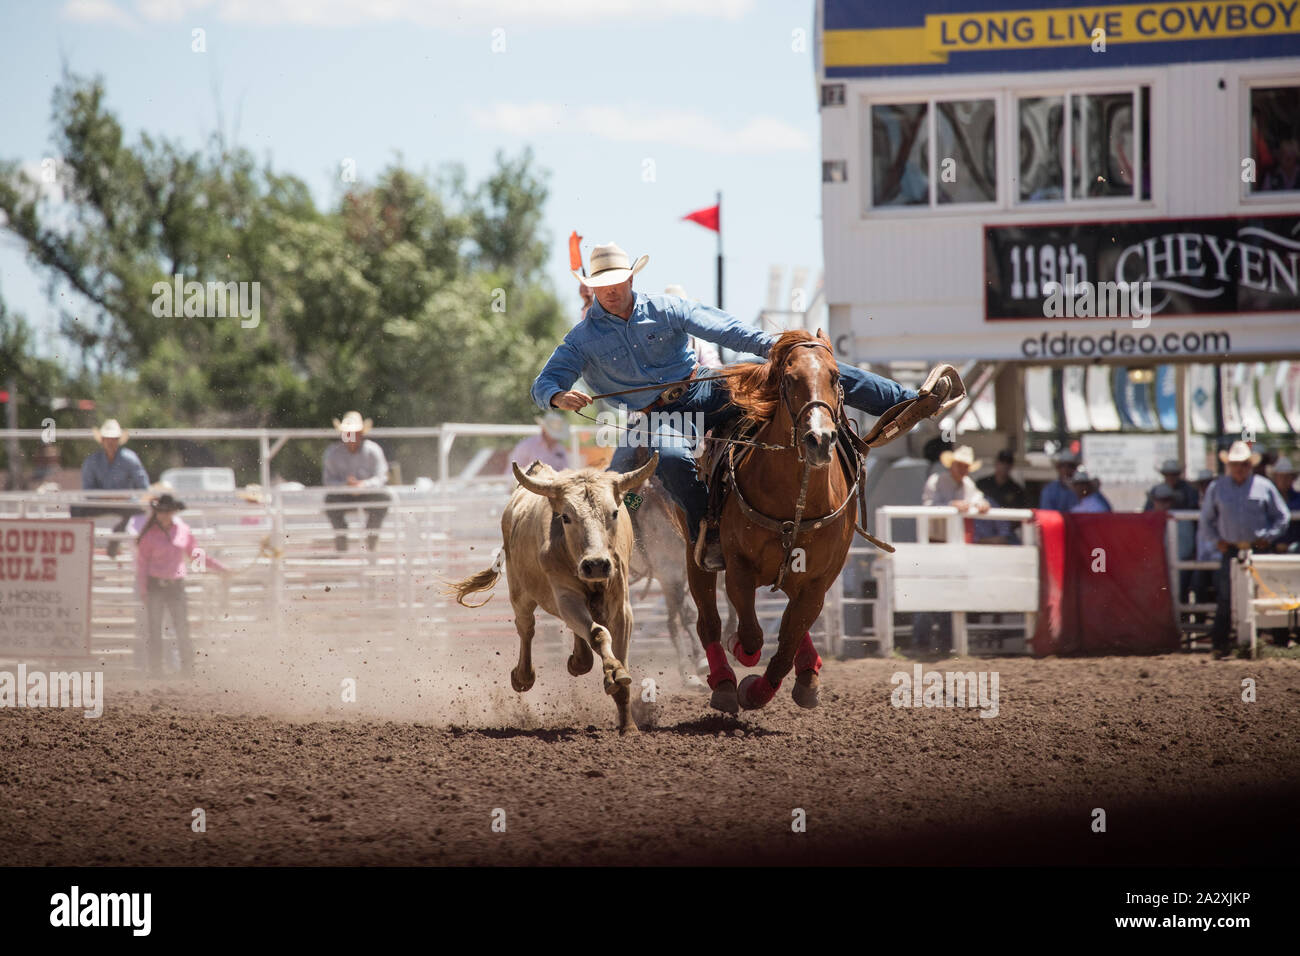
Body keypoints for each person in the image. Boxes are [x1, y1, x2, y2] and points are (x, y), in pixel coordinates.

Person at [532, 241, 956, 571]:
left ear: (629, 279)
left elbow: (723, 328)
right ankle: (705, 530)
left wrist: (782, 348)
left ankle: (909, 403)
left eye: (616, 281)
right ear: (593, 287)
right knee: (671, 458)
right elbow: (544, 382)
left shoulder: (665, 308)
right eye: (602, 284)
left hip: (707, 387)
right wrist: (556, 395)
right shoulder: (580, 340)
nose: (610, 290)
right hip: (654, 416)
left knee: (809, 366)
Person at [1201, 441, 1291, 658]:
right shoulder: (1217, 488)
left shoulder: (1264, 486)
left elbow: (1282, 517)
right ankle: (1220, 643)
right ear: (1229, 465)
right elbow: (1206, 520)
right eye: (1234, 464)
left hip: (1259, 549)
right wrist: (1216, 540)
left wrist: (1267, 537)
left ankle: (1280, 642)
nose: (1238, 468)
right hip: (1231, 549)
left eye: (1242, 464)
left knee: (1269, 593)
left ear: (1249, 465)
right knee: (1226, 595)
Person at [135, 493, 230, 677]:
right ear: (157, 512)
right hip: (155, 584)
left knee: (182, 628)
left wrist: (220, 568)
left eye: (168, 511)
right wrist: (144, 590)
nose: (164, 515)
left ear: (173, 512)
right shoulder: (149, 535)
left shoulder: (182, 530)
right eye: (161, 511)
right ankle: (156, 670)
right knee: (155, 629)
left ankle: (188, 670)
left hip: (175, 585)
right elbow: (142, 565)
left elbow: (196, 555)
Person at [914, 446, 989, 655]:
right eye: (960, 465)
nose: (963, 469)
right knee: (929, 592)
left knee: (948, 591)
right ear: (952, 465)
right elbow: (928, 506)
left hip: (951, 545)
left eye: (966, 466)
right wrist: (951, 505)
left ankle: (945, 643)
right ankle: (924, 642)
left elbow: (979, 499)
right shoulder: (936, 481)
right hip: (933, 542)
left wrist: (981, 504)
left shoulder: (967, 484)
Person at [74, 419, 150, 558]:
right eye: (108, 439)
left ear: (118, 440)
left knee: (140, 510)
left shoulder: (129, 459)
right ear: (102, 440)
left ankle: (116, 538)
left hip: (124, 503)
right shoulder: (92, 461)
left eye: (114, 439)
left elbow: (143, 486)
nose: (111, 442)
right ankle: (80, 547)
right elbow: (87, 490)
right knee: (76, 509)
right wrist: (107, 497)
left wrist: (126, 497)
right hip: (101, 503)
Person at [322, 410, 391, 553]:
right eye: (347, 433)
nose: (350, 437)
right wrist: (345, 486)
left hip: (367, 492)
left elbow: (382, 476)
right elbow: (328, 481)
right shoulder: (333, 453)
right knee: (330, 501)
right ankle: (341, 536)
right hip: (344, 494)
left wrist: (363, 485)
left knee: (384, 498)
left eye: (354, 433)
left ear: (361, 434)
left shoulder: (373, 450)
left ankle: (372, 536)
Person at [974, 449, 1027, 543]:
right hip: (981, 532)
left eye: (1008, 462)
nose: (1005, 465)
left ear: (1012, 466)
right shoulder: (982, 483)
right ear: (996, 463)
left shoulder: (1016, 489)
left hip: (1006, 534)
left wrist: (1003, 532)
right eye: (1002, 461)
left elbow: (1019, 518)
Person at [505, 411, 571, 474]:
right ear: (544, 430)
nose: (555, 438)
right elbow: (513, 472)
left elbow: (565, 470)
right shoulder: (527, 446)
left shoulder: (560, 449)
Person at [1270, 455, 1300, 553]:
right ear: (1275, 478)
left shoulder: (1298, 499)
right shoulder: (1268, 499)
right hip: (1271, 547)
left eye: (1287, 476)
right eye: (1281, 476)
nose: (1284, 480)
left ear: (1292, 478)